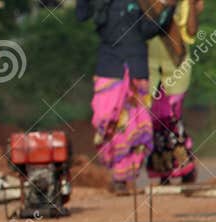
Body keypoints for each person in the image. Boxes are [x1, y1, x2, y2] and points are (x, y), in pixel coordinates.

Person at [77, 0, 171, 194]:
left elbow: (149, 30)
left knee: (135, 125)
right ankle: (118, 173)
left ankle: (124, 179)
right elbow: (81, 15)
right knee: (106, 121)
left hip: (136, 67)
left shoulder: (138, 3)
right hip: (110, 66)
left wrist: (168, 7)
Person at [147, 0, 203, 183]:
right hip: (150, 67)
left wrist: (192, 5)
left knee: (171, 117)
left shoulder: (184, 3)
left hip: (177, 65)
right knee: (155, 120)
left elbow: (191, 32)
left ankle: (185, 168)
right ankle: (164, 172)